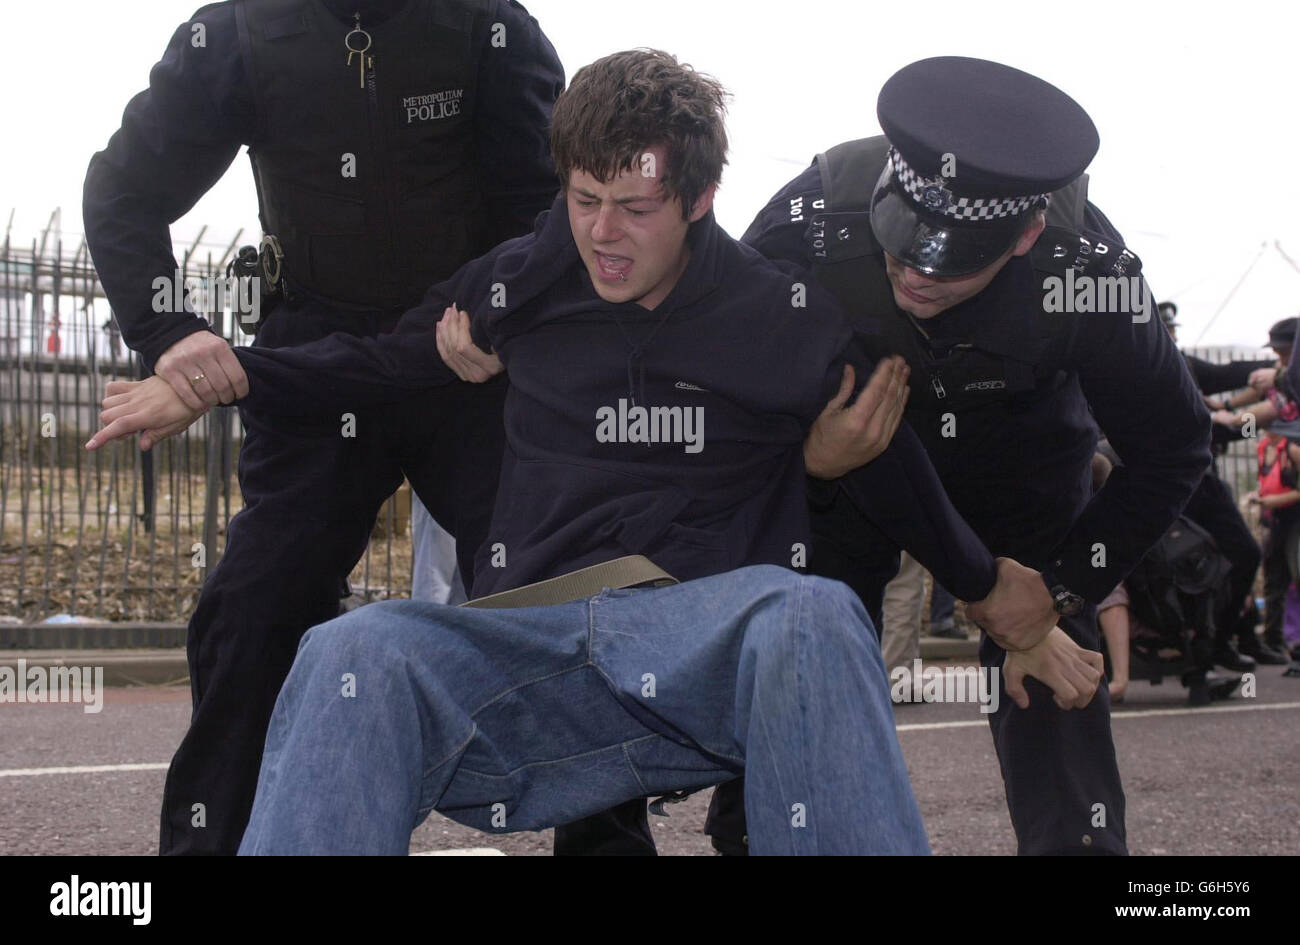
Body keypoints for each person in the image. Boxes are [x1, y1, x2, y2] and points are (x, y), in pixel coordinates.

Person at [89, 49, 1101, 855]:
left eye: (636, 208)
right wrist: (219, 375)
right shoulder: (528, 275)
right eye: (583, 200)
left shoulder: (779, 315)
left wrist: (990, 593)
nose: (602, 237)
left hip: (691, 653)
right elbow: (380, 364)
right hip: (537, 656)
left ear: (700, 199)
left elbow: (889, 464)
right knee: (352, 649)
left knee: (812, 614)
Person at [82, 0, 563, 855]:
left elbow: (546, 208)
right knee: (252, 605)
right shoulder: (235, 35)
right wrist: (169, 332)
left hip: (469, 358)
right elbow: (123, 191)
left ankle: (610, 840)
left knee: (557, 590)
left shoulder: (491, 28)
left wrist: (504, 316)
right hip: (315, 352)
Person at [741, 56, 1212, 855]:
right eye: (900, 247)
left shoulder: (1088, 273)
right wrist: (805, 461)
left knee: (1054, 678)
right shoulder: (805, 228)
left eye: (952, 259)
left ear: (1026, 235)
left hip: (1022, 468)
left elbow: (1175, 445)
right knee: (800, 648)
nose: (916, 274)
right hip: (850, 464)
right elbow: (735, 407)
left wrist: (1057, 592)